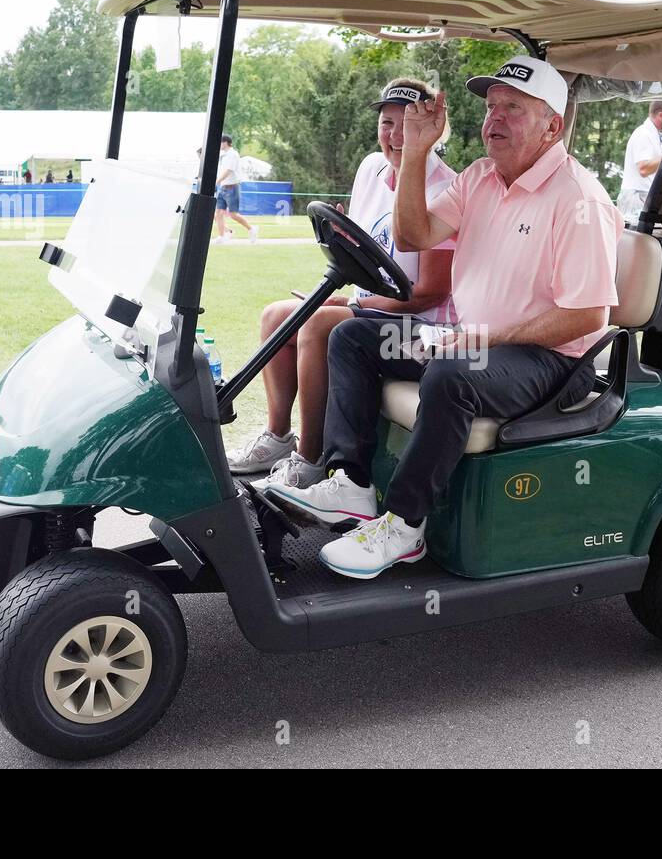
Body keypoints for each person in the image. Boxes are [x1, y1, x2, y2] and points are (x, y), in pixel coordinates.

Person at [266, 56, 621, 580]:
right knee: (355, 338)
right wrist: (415, 152)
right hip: (475, 343)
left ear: (554, 125)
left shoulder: (578, 200)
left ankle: (404, 526)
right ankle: (352, 484)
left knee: (452, 376)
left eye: (514, 109)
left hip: (551, 361)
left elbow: (588, 315)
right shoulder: (480, 178)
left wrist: (475, 338)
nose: (494, 119)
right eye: (491, 107)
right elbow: (413, 235)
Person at [229, 78, 457, 489]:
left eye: (409, 125)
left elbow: (431, 292)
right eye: (388, 123)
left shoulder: (444, 190)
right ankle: (279, 436)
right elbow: (372, 251)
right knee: (276, 315)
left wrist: (358, 306)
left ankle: (311, 458)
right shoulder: (371, 168)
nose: (396, 135)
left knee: (316, 325)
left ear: (432, 131)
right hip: (375, 309)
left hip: (427, 329)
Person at [616, 100, 662, 224]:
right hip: (636, 197)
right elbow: (643, 169)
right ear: (661, 115)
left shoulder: (654, 134)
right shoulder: (644, 134)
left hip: (642, 195)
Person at [213, 134, 259, 242]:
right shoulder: (224, 155)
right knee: (218, 213)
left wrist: (217, 182)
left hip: (232, 187)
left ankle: (251, 229)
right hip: (223, 187)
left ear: (225, 142)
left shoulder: (233, 154)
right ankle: (222, 236)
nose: (219, 145)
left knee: (233, 214)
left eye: (220, 142)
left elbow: (229, 170)